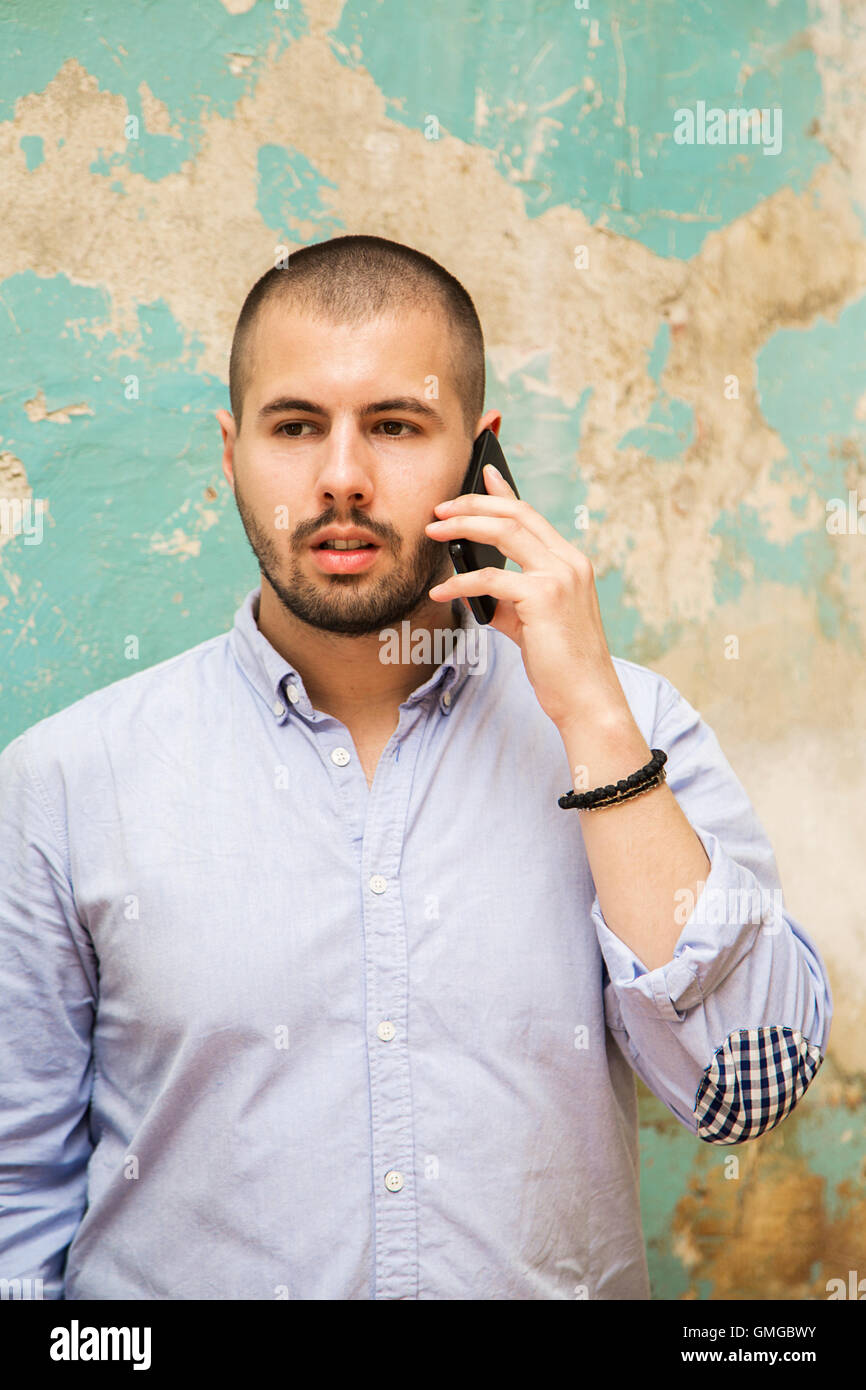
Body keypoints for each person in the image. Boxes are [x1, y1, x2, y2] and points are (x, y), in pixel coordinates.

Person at [0, 234, 831, 1301]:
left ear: (480, 457)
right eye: (295, 426)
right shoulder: (65, 782)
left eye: (394, 425)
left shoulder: (633, 728)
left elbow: (744, 1090)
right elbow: (15, 1196)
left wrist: (589, 716)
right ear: (230, 453)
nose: (341, 477)